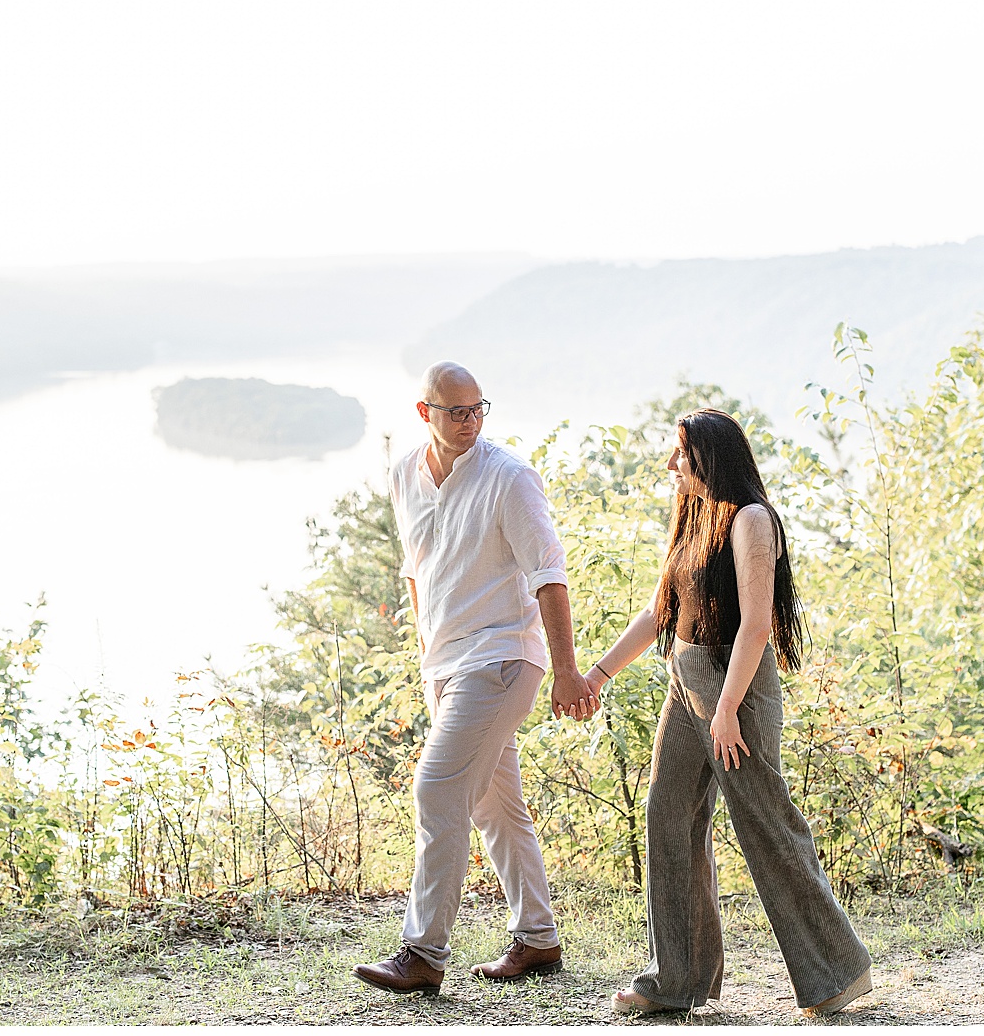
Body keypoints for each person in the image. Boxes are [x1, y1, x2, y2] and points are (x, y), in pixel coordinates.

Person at [586, 408, 872, 1018]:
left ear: (709, 458)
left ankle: (837, 972)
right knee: (667, 815)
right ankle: (678, 979)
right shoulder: (694, 518)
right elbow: (659, 613)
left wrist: (728, 709)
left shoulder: (750, 520)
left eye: (679, 454)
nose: (670, 465)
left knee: (766, 823)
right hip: (685, 681)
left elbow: (757, 622)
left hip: (732, 687)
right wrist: (598, 673)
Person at [352, 361, 600, 997]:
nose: (468, 422)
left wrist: (567, 670)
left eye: (477, 410)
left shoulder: (509, 478)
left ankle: (423, 952)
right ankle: (539, 939)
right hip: (448, 662)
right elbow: (416, 566)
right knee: (496, 807)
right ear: (424, 412)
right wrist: (424, 651)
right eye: (454, 411)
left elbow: (549, 572)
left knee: (437, 788)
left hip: (502, 657)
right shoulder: (406, 472)